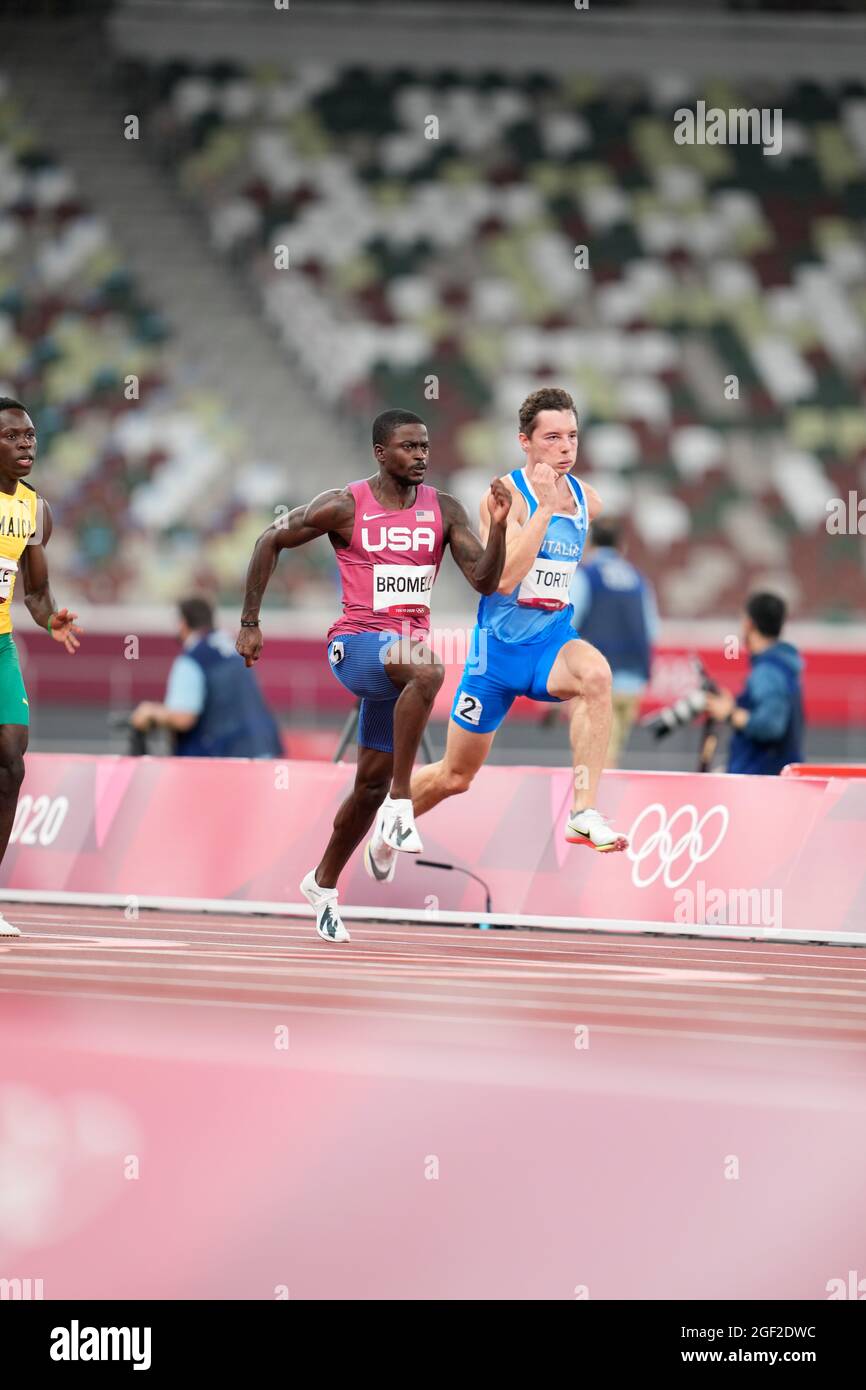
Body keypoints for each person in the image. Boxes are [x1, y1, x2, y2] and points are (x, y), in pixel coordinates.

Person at [236, 408, 511, 943]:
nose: (421, 457)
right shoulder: (344, 504)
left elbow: (483, 580)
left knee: (366, 785)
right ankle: (402, 806)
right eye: (409, 447)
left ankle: (322, 883)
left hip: (399, 666)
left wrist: (499, 527)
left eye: (426, 447)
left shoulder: (445, 509)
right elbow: (268, 539)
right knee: (430, 669)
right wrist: (250, 622)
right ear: (380, 454)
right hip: (356, 645)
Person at [364, 386, 629, 888]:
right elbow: (504, 580)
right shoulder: (501, 497)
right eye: (552, 438)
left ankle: (584, 810)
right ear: (525, 442)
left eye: (572, 436)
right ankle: (387, 824)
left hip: (550, 641)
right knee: (456, 776)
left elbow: (567, 568)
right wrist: (546, 510)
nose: (566, 447)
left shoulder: (588, 500)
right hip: (496, 656)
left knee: (596, 676)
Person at [0, 397, 83, 939]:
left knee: (11, 758)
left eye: (30, 436)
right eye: (13, 436)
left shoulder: (34, 509)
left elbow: (36, 590)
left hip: (0, 645)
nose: (26, 444)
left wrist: (51, 617)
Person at [131, 597, 282, 758]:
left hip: (222, 759)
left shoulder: (192, 658)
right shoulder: (232, 645)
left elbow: (183, 717)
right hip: (263, 747)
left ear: (182, 623)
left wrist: (150, 713)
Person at [568, 518, 658, 767]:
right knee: (610, 751)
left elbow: (567, 622)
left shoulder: (587, 576)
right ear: (622, 546)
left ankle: (593, 805)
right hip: (633, 681)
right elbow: (652, 630)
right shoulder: (639, 580)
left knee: (594, 756)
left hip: (596, 679)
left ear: (590, 543)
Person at [704, 591, 804, 775]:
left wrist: (729, 714)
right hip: (771, 778)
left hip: (763, 782)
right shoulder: (782, 666)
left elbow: (770, 725)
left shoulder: (768, 670)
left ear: (749, 624)